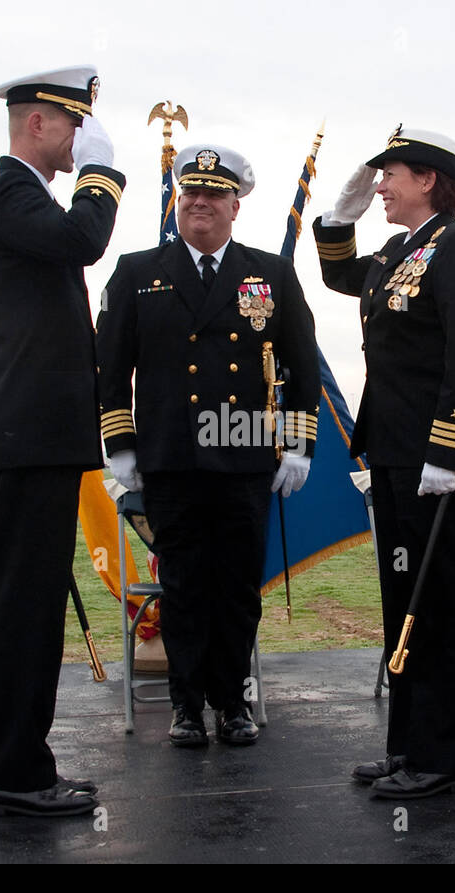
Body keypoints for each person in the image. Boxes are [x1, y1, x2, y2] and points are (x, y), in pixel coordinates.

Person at [96, 144, 320, 747]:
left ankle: (233, 701)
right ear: (177, 200)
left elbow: (302, 367)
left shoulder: (269, 274)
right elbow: (110, 369)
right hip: (170, 458)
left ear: (235, 205)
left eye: (214, 194)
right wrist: (120, 442)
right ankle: (186, 706)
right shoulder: (137, 273)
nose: (200, 202)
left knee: (238, 588)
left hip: (243, 456)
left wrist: (297, 445)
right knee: (185, 586)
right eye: (190, 191)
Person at [313, 126, 455, 798]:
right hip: (395, 454)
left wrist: (450, 451)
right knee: (405, 602)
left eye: (389, 173)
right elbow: (341, 274)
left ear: (428, 178)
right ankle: (409, 745)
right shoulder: (399, 251)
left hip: (437, 458)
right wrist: (338, 219)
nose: (381, 185)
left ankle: (447, 757)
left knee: (443, 604)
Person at [0, 65, 125, 817]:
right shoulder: (8, 195)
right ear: (39, 124)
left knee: (29, 610)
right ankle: (9, 773)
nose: (80, 137)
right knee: (20, 612)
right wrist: (105, 170)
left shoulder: (18, 196)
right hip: (26, 436)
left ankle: (21, 764)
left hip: (38, 437)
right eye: (74, 125)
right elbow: (84, 240)